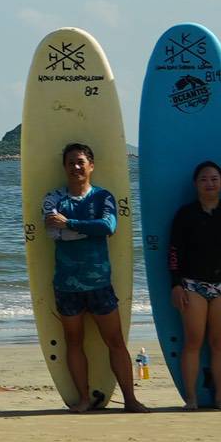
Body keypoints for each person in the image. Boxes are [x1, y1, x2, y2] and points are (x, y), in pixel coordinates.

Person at [42, 142, 148, 412]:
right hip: (67, 285)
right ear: (64, 167)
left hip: (99, 283)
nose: (76, 167)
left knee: (115, 342)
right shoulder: (53, 198)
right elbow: (54, 233)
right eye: (70, 163)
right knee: (74, 342)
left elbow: (108, 227)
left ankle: (130, 400)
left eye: (80, 162)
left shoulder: (103, 197)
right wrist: (84, 229)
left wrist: (71, 224)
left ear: (91, 165)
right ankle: (84, 399)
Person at [166, 162, 221, 411]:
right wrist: (175, 285)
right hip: (192, 284)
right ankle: (191, 399)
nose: (210, 183)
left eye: (214, 179)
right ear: (196, 184)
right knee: (193, 341)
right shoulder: (186, 214)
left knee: (219, 343)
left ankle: (220, 399)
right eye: (204, 179)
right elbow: (174, 251)